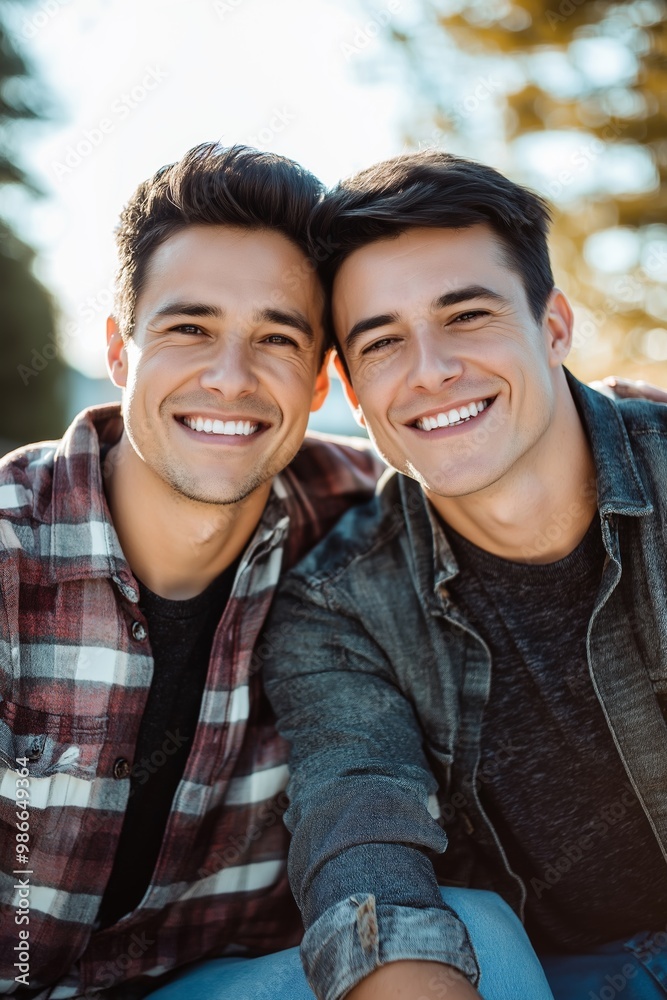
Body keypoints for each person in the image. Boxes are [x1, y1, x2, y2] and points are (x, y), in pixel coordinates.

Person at [263, 151, 667, 1000]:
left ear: (552, 325)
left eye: (466, 315)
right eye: (380, 341)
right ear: (349, 388)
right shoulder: (336, 604)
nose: (429, 369)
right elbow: (360, 821)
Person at [0, 142, 381, 999]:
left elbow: (507, 451)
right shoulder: (10, 550)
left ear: (320, 380)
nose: (230, 377)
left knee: (482, 939)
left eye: (276, 339)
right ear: (119, 351)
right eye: (189, 328)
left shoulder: (355, 516)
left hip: (209, 985)